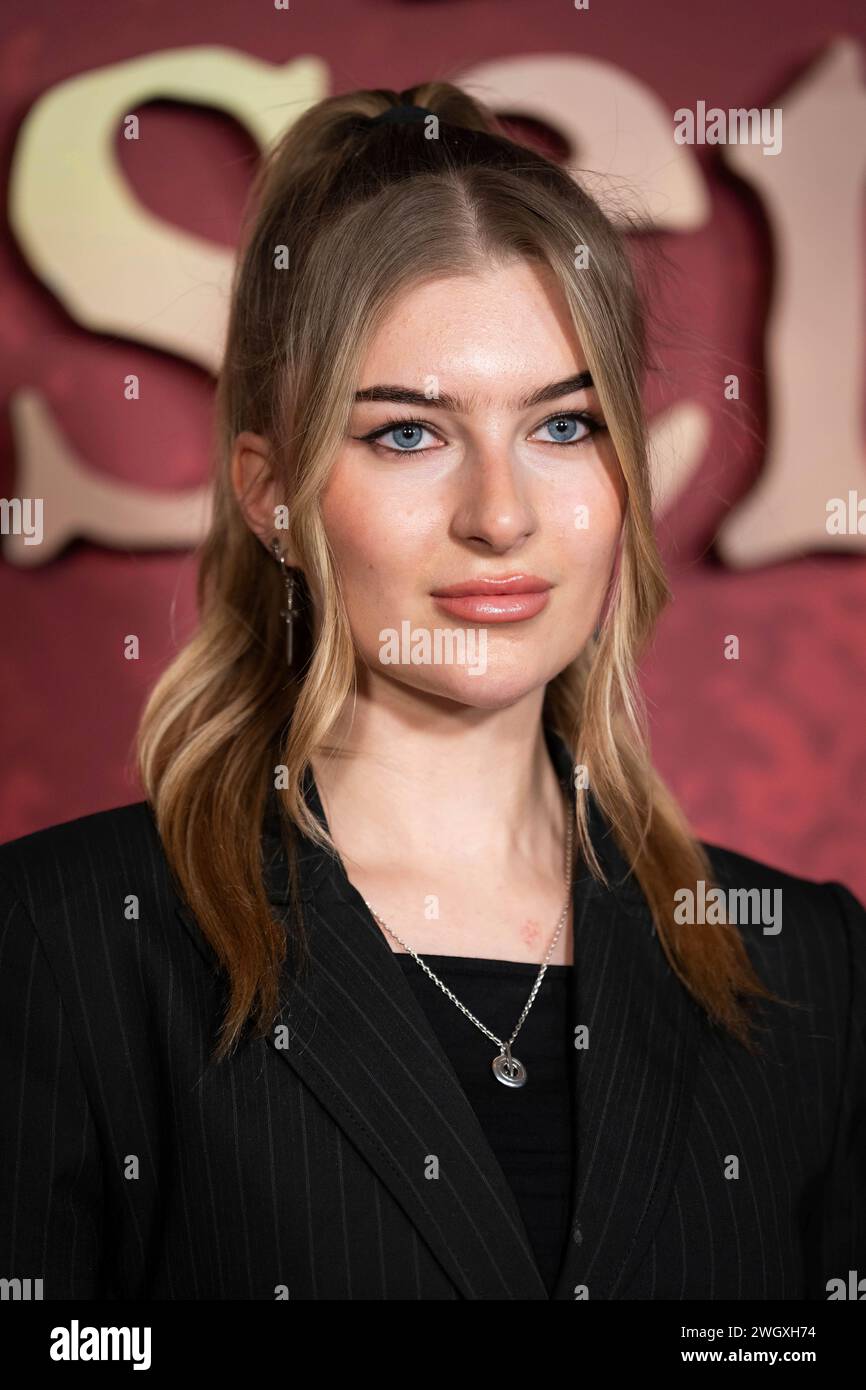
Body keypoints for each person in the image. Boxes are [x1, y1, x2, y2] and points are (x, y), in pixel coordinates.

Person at [0, 82, 864, 1303]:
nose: (499, 515)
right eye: (408, 434)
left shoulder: (812, 971)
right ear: (270, 493)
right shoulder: (58, 945)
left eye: (562, 428)